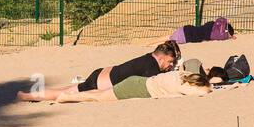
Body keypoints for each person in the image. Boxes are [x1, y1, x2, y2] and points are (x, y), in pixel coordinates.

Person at [16, 41, 181, 102]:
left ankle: (32, 94)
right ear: (161, 58)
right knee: (65, 91)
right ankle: (28, 95)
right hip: (100, 82)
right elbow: (155, 85)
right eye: (170, 62)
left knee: (67, 88)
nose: (170, 66)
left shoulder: (148, 58)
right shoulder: (152, 66)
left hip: (103, 74)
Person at [55, 68, 212, 103]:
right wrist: (209, 89)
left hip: (138, 81)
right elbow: (198, 93)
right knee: (99, 98)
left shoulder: (182, 74)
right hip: (139, 89)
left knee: (100, 93)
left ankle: (68, 96)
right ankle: (65, 98)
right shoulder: (186, 87)